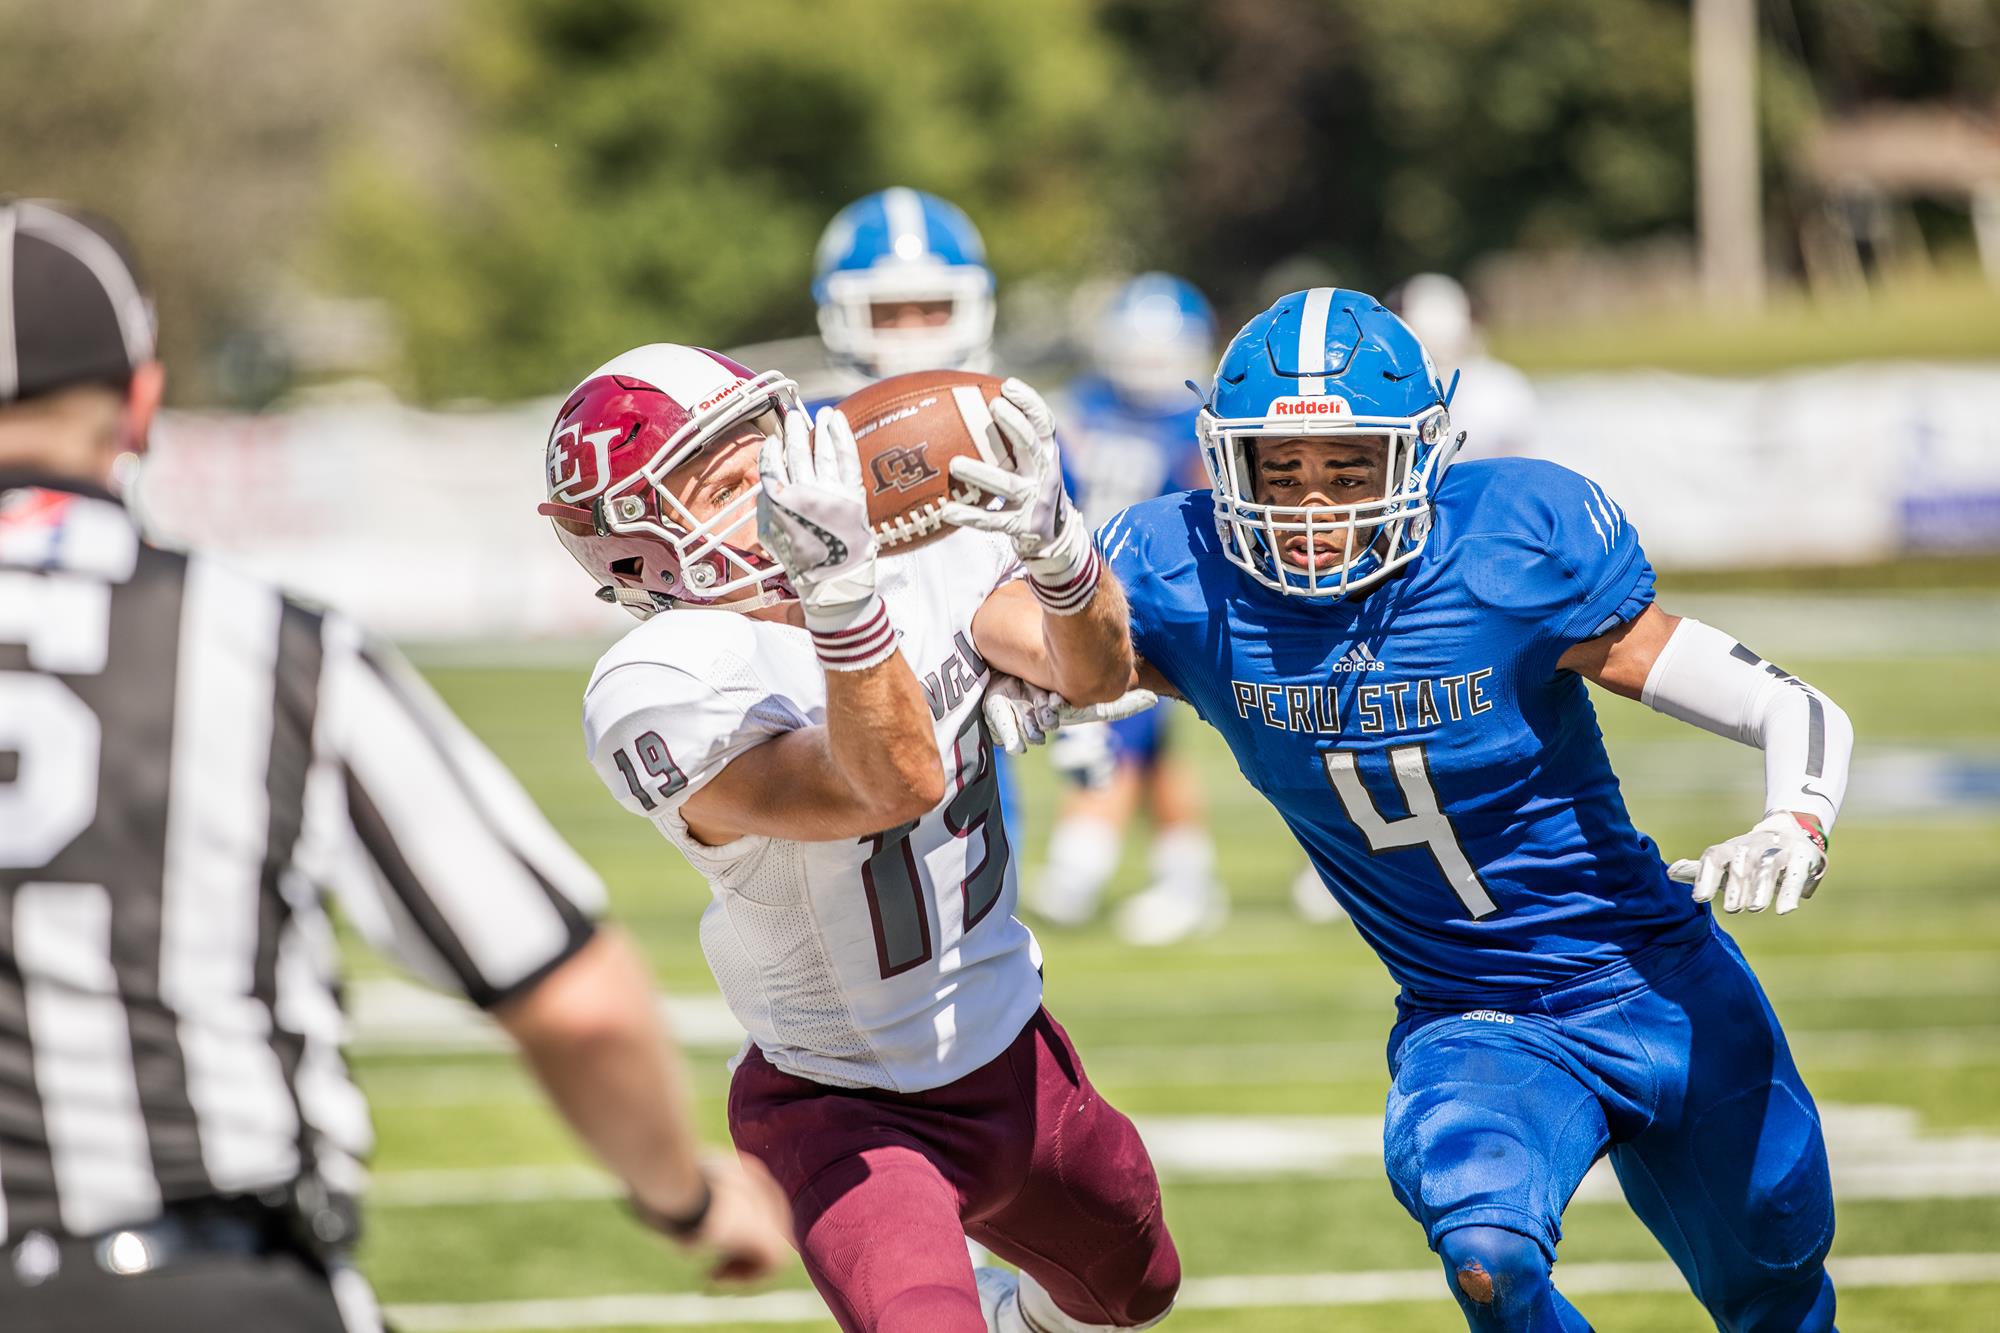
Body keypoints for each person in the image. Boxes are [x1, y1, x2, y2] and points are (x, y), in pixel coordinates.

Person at [0, 200, 791, 1332]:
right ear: (140, 405)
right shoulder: (257, 642)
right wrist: (690, 1197)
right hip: (201, 1276)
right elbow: (573, 998)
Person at [1085, 288, 1849, 1330]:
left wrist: (1793, 816)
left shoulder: (1510, 548)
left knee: (1777, 1294)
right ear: (1229, 462)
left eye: (1347, 467)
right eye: (1283, 468)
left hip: (1656, 978)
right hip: (1472, 1016)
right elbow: (1011, 653)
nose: (1313, 504)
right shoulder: (1186, 579)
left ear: (1416, 456)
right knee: (1486, 1253)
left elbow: (1785, 703)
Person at [537, 343, 1179, 1333]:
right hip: (836, 1096)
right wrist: (845, 605)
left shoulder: (921, 557)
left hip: (1013, 1044)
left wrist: (1058, 552)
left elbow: (1091, 672)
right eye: (722, 476)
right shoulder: (665, 682)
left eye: (763, 443)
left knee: (1134, 1288)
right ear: (634, 552)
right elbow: (885, 785)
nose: (772, 476)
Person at [1029, 273, 1225, 946]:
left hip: (1153, 590)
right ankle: (1188, 874)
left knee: (1116, 722)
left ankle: (1083, 855)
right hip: (1086, 580)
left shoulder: (1199, 422)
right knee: (1156, 740)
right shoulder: (1083, 405)